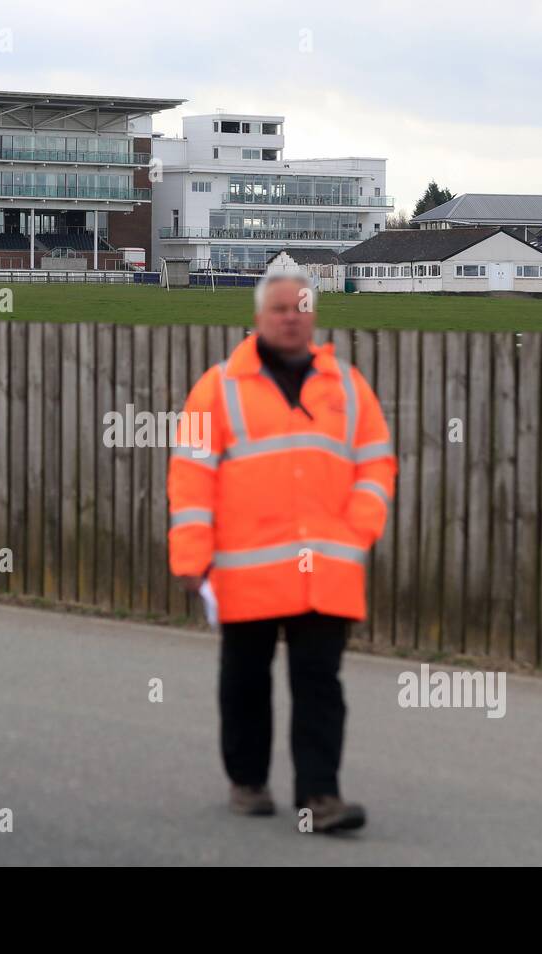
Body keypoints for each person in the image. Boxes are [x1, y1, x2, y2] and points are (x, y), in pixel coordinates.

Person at [167, 267, 397, 834]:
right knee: (245, 680)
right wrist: (192, 559)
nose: (290, 317)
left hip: (327, 571)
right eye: (279, 309)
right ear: (258, 318)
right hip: (246, 572)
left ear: (314, 316)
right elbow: (191, 476)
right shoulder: (216, 388)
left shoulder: (347, 386)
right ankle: (247, 782)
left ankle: (320, 797)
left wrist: (360, 528)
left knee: (320, 684)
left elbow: (377, 463)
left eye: (300, 308)